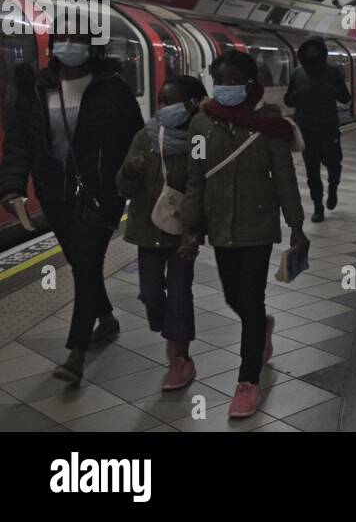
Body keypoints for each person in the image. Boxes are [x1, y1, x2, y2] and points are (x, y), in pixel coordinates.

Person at [0, 28, 143, 383]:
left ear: (92, 49)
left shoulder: (113, 89)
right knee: (83, 263)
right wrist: (12, 187)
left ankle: (75, 354)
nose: (70, 47)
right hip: (54, 194)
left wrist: (129, 180)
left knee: (85, 264)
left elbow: (136, 139)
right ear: (52, 47)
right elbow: (20, 141)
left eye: (78, 41)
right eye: (63, 40)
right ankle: (106, 319)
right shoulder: (36, 89)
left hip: (100, 193)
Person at [179, 51, 307, 418]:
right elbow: (195, 178)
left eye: (234, 80)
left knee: (249, 300)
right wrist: (190, 229)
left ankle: (247, 381)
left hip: (257, 226)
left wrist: (296, 226)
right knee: (234, 296)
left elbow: (284, 179)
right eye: (220, 79)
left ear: (251, 84)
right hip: (219, 226)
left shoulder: (268, 125)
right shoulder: (201, 124)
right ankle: (263, 325)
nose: (225, 86)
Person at [116, 75, 208, 391]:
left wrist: (194, 231)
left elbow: (204, 189)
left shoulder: (201, 140)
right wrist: (130, 171)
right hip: (147, 228)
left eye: (172, 102)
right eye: (162, 101)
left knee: (180, 294)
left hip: (183, 231)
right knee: (151, 293)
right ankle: (167, 325)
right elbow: (123, 185)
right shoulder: (145, 136)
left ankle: (179, 359)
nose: (164, 108)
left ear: (193, 105)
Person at [284, 37, 351, 222]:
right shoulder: (298, 74)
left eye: (315, 51)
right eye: (308, 51)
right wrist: (297, 94)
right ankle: (318, 207)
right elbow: (288, 100)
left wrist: (332, 89)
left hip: (329, 128)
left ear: (322, 52)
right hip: (307, 130)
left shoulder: (333, 73)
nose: (312, 54)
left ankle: (333, 189)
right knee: (312, 171)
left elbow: (346, 98)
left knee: (334, 164)